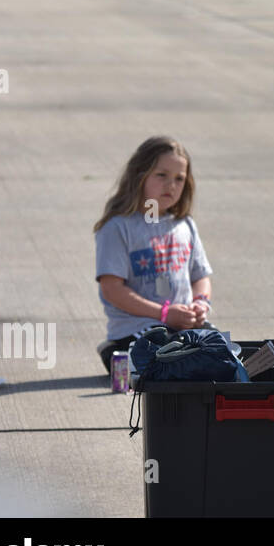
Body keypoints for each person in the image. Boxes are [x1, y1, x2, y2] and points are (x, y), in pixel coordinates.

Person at [94, 137, 213, 373]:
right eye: (162, 175)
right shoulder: (118, 227)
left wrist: (199, 304)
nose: (171, 185)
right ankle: (116, 353)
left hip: (181, 325)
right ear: (140, 175)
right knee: (167, 356)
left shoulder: (184, 225)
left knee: (220, 349)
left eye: (179, 178)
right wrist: (164, 314)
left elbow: (201, 276)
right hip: (139, 327)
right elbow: (112, 289)